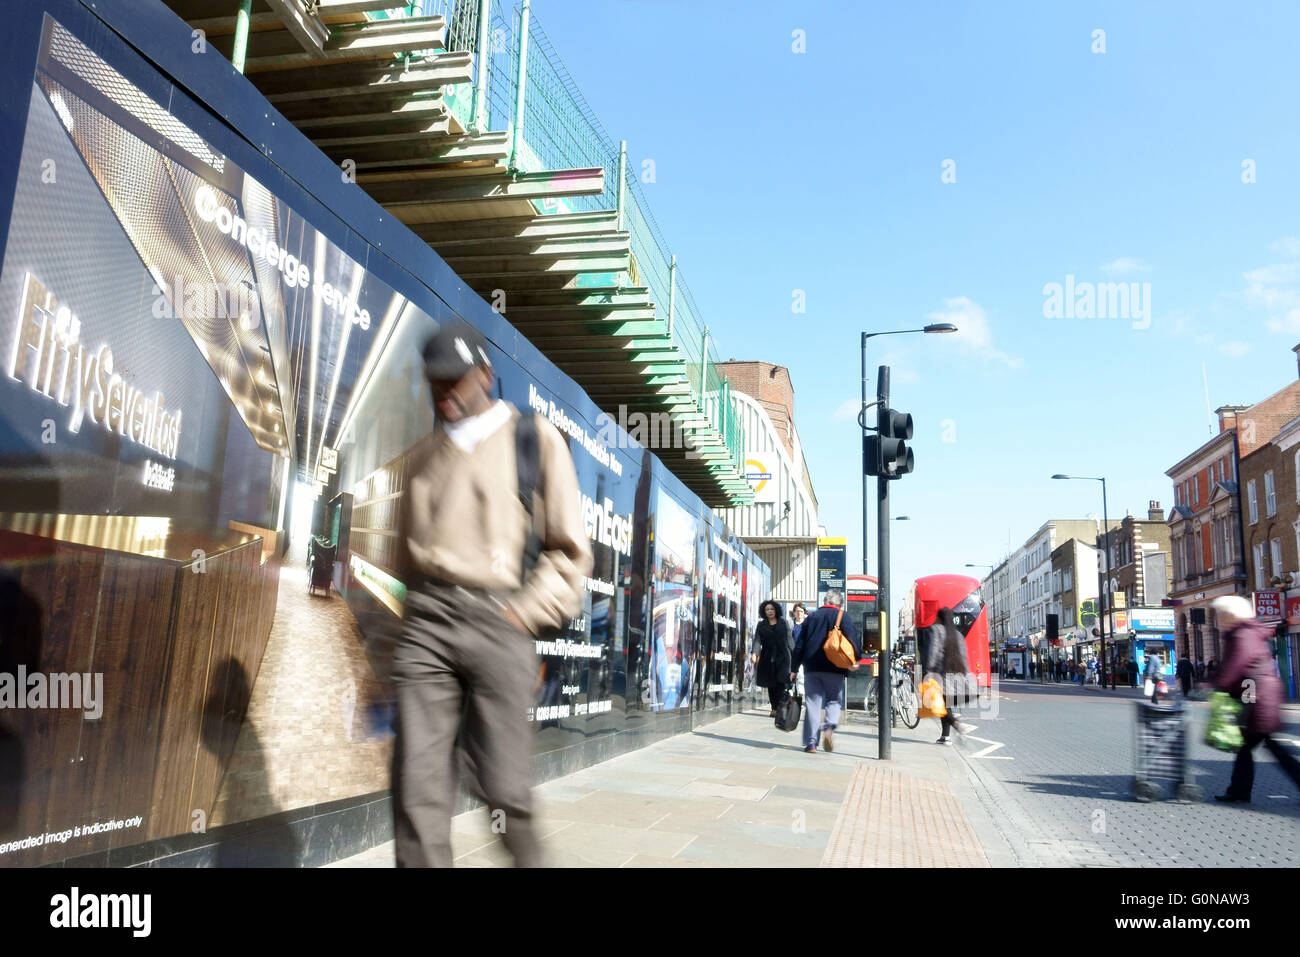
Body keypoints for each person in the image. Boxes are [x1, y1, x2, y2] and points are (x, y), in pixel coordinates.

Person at [391, 320, 593, 867]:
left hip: (499, 621)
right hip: (427, 625)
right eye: (436, 380)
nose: (444, 391)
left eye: (456, 379)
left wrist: (523, 616)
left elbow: (568, 550)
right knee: (417, 790)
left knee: (503, 788)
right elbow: (404, 560)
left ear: (486, 374)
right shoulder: (421, 458)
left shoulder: (532, 437)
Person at [1210, 596, 1300, 803]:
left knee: (1259, 747)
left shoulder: (1243, 634)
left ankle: (1239, 791)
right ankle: (1238, 791)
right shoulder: (1243, 632)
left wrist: (1217, 683)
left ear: (1232, 614)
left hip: (1256, 698)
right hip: (1256, 696)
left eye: (1221, 614)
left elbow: (1237, 663)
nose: (1219, 618)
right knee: (1257, 747)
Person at [789, 589, 860, 753]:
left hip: (812, 667)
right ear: (840, 603)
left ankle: (812, 743)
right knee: (834, 700)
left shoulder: (812, 617)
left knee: (813, 704)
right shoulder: (843, 616)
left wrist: (794, 668)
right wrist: (856, 659)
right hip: (835, 667)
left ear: (825, 602)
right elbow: (853, 638)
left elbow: (799, 645)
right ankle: (828, 728)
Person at [923, 607, 972, 744]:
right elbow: (963, 656)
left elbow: (933, 651)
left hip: (941, 674)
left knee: (941, 706)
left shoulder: (936, 630)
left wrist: (928, 671)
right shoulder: (958, 634)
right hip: (957, 675)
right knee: (945, 704)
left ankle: (956, 724)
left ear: (940, 618)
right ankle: (945, 736)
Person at [753, 600, 792, 716]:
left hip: (783, 656)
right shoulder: (761, 625)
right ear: (764, 612)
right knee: (771, 683)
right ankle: (774, 707)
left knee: (781, 682)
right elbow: (757, 640)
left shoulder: (783, 623)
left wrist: (796, 658)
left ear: (776, 610)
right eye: (767, 610)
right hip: (767, 657)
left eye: (772, 609)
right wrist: (754, 653)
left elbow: (790, 641)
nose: (770, 611)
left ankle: (779, 707)